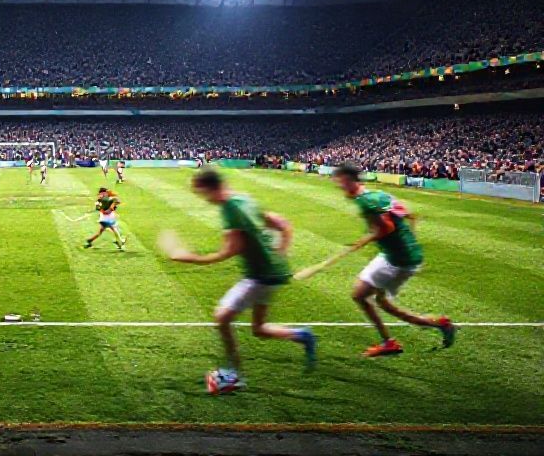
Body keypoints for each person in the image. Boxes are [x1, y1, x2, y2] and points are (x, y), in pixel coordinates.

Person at [161, 169, 316, 395]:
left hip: (260, 275)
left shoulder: (230, 208)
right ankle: (303, 335)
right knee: (259, 329)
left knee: (222, 318)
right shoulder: (244, 199)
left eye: (201, 193)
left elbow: (231, 250)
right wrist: (280, 253)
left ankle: (235, 375)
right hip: (273, 272)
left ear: (210, 188)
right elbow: (282, 224)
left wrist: (189, 257)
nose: (204, 199)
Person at [331, 164, 455, 357]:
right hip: (404, 255)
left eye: (339, 181)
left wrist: (363, 241)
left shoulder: (366, 202)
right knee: (381, 301)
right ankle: (438, 324)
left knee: (360, 295)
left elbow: (386, 229)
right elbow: (409, 215)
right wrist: (409, 240)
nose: (337, 186)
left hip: (397, 259)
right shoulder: (379, 194)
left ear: (348, 180)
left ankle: (390, 342)